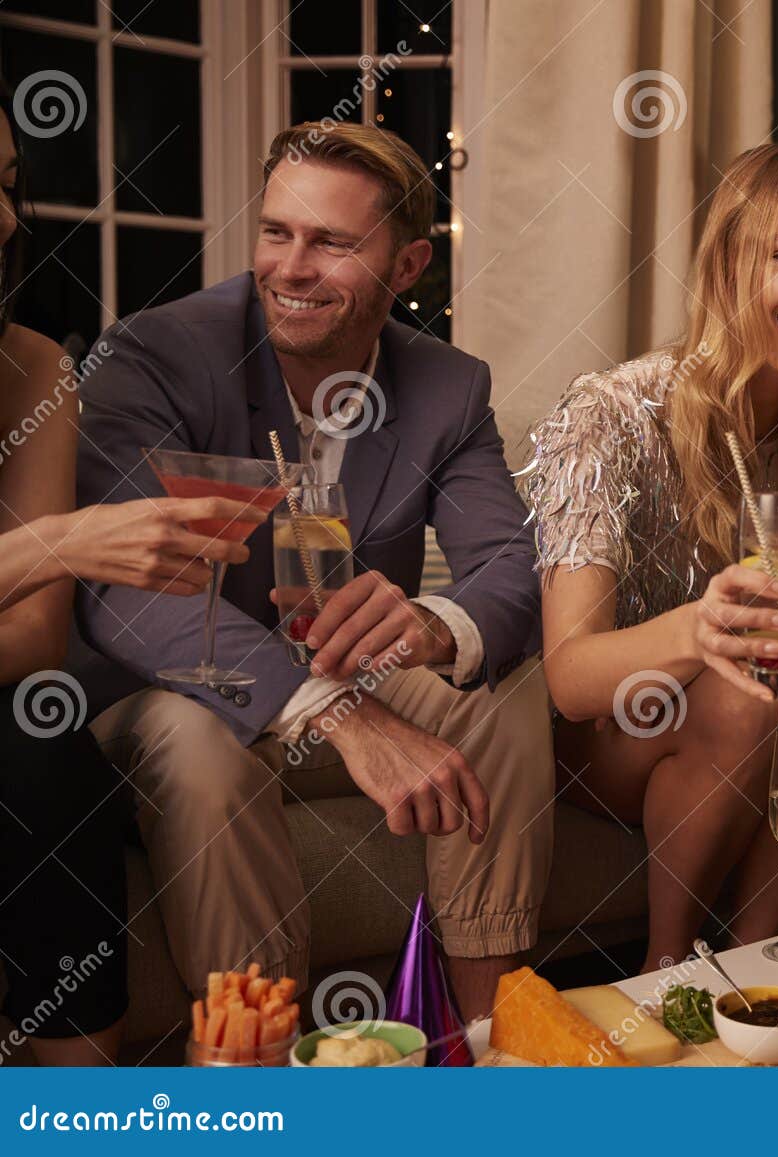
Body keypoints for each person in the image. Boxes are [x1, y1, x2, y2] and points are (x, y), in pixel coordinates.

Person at [72, 122, 550, 1019]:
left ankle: (492, 1039)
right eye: (276, 232)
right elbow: (123, 594)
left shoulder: (448, 387)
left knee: (504, 690)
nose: (291, 268)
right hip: (176, 689)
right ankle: (259, 1061)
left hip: (340, 665)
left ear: (407, 266)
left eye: (332, 243)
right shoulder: (156, 355)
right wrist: (342, 712)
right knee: (199, 744)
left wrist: (431, 624)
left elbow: (506, 567)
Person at [520, 142, 778, 968]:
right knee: (741, 699)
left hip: (753, 718)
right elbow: (570, 679)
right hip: (610, 726)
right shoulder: (613, 414)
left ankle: (757, 966)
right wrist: (702, 629)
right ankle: (668, 971)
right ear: (729, 266)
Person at [0, 94, 269, 1063]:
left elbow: (30, 640)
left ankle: (83, 1105)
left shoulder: (30, 368)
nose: (6, 219)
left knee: (44, 738)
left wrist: (50, 550)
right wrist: (57, 541)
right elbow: (44, 571)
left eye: (10, 185)